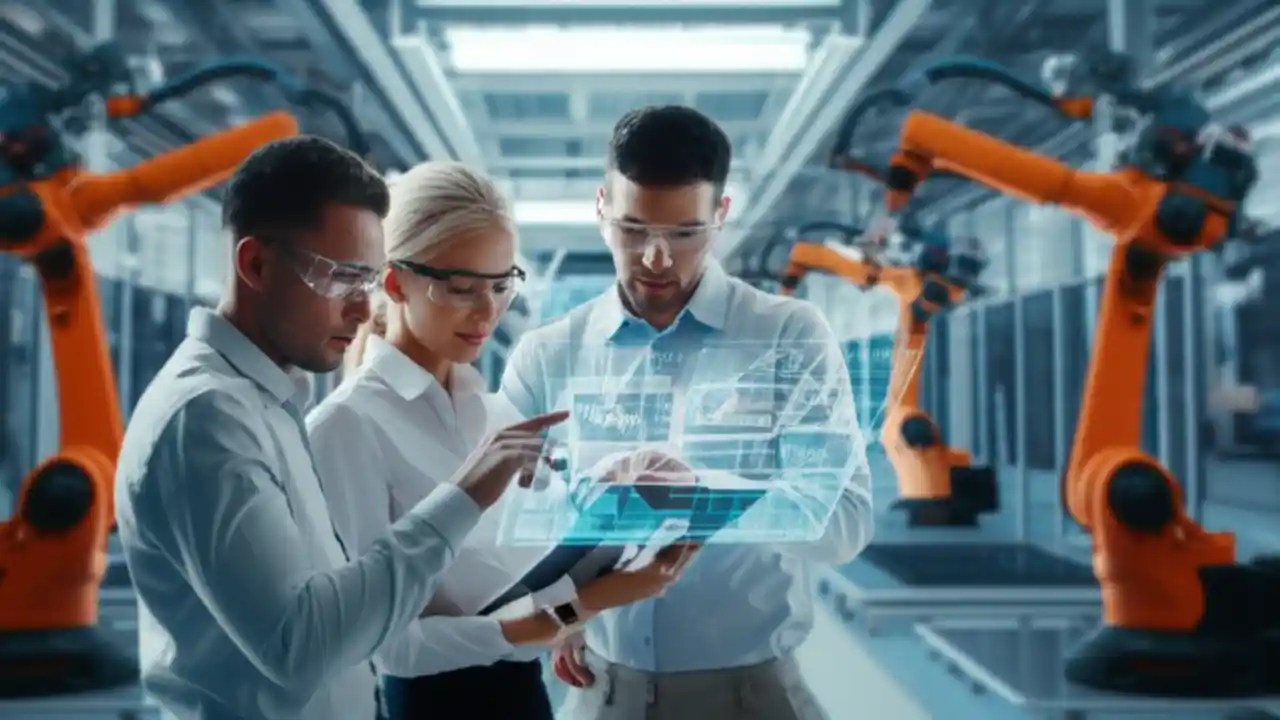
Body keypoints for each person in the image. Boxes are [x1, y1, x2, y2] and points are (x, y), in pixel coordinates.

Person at [112, 136, 572, 720]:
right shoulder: (206, 420)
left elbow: (346, 623)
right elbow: (302, 644)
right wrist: (463, 497)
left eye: (367, 280)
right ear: (255, 264)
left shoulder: (264, 405)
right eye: (340, 279)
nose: (361, 309)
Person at [498, 106, 875, 720]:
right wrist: (570, 605)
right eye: (633, 229)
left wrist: (704, 494)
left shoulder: (787, 339)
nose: (655, 259)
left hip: (752, 700)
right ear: (601, 209)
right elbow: (507, 533)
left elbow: (847, 524)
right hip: (601, 694)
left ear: (721, 217)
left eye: (684, 234)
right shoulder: (548, 357)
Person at [306, 160, 699, 720]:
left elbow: (524, 564)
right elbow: (390, 649)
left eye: (501, 285)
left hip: (523, 697)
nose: (487, 311)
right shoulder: (346, 428)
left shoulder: (495, 415)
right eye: (463, 288)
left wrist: (615, 488)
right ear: (394, 282)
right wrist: (578, 608)